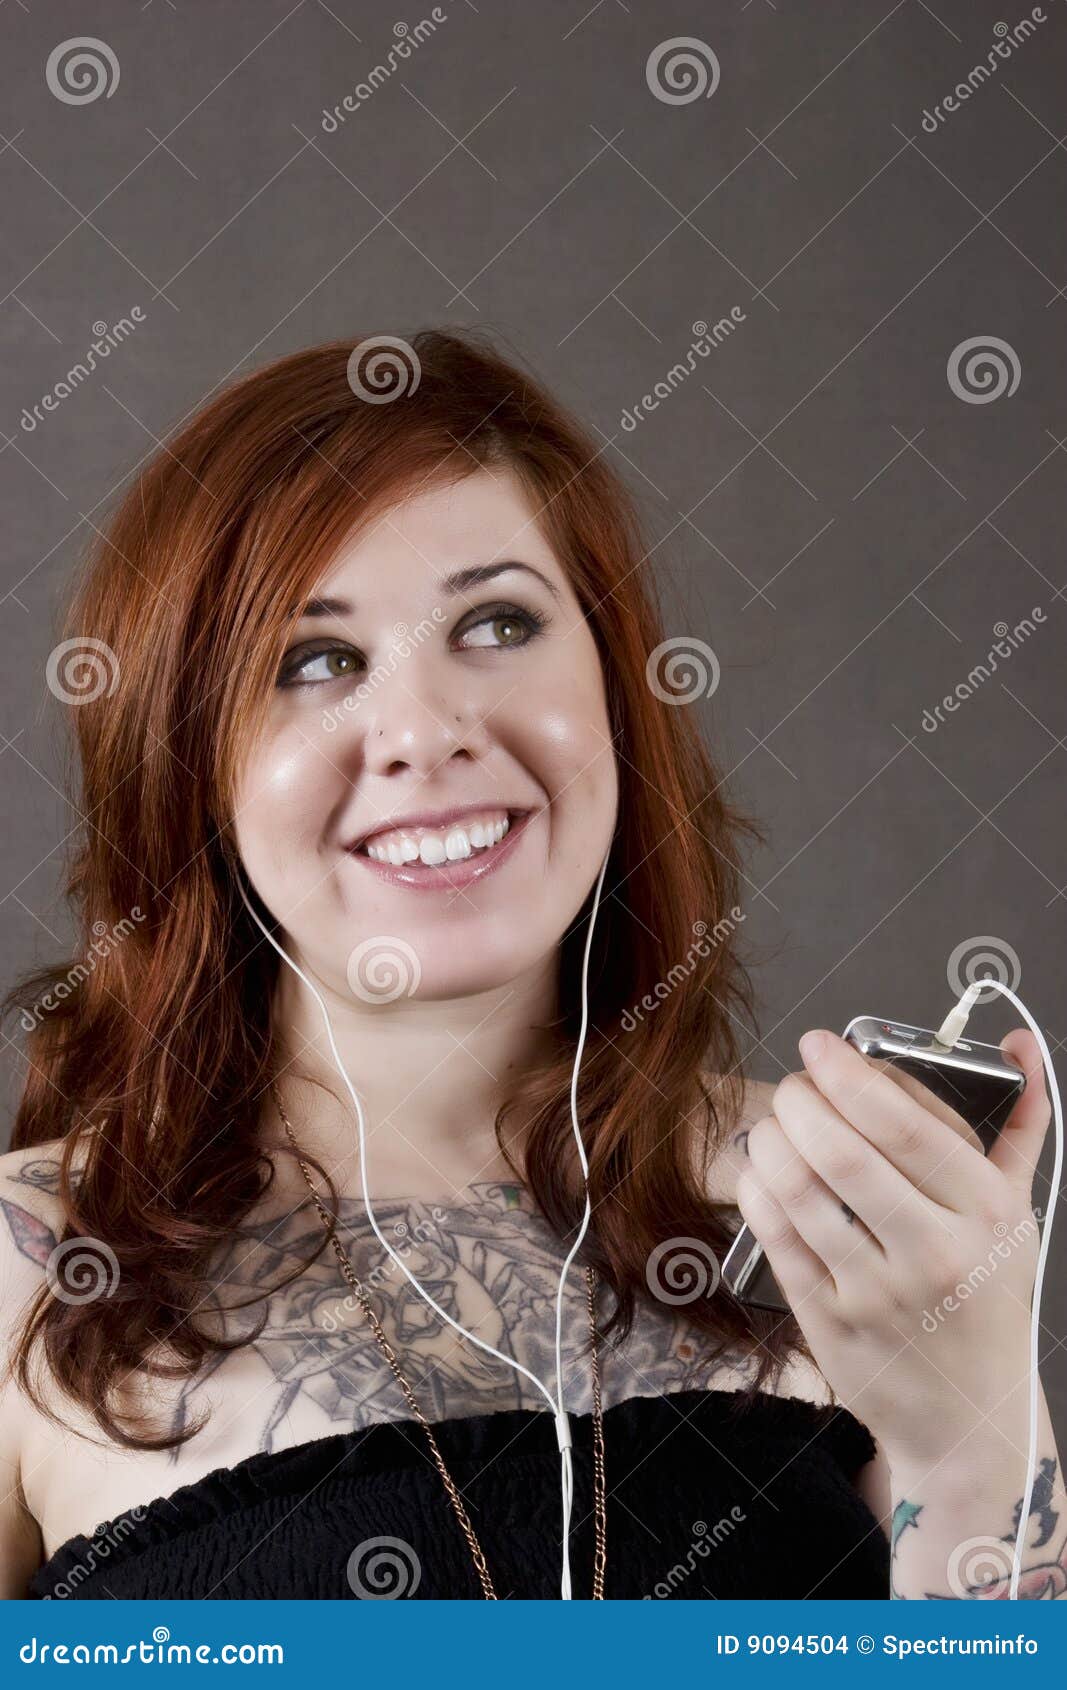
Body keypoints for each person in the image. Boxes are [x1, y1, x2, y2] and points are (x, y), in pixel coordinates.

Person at [0, 331, 1054, 1600]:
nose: (427, 732)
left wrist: (971, 1425)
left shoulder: (837, 1211)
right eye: (314, 659)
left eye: (497, 621)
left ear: (612, 688)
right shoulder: (32, 1266)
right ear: (189, 762)